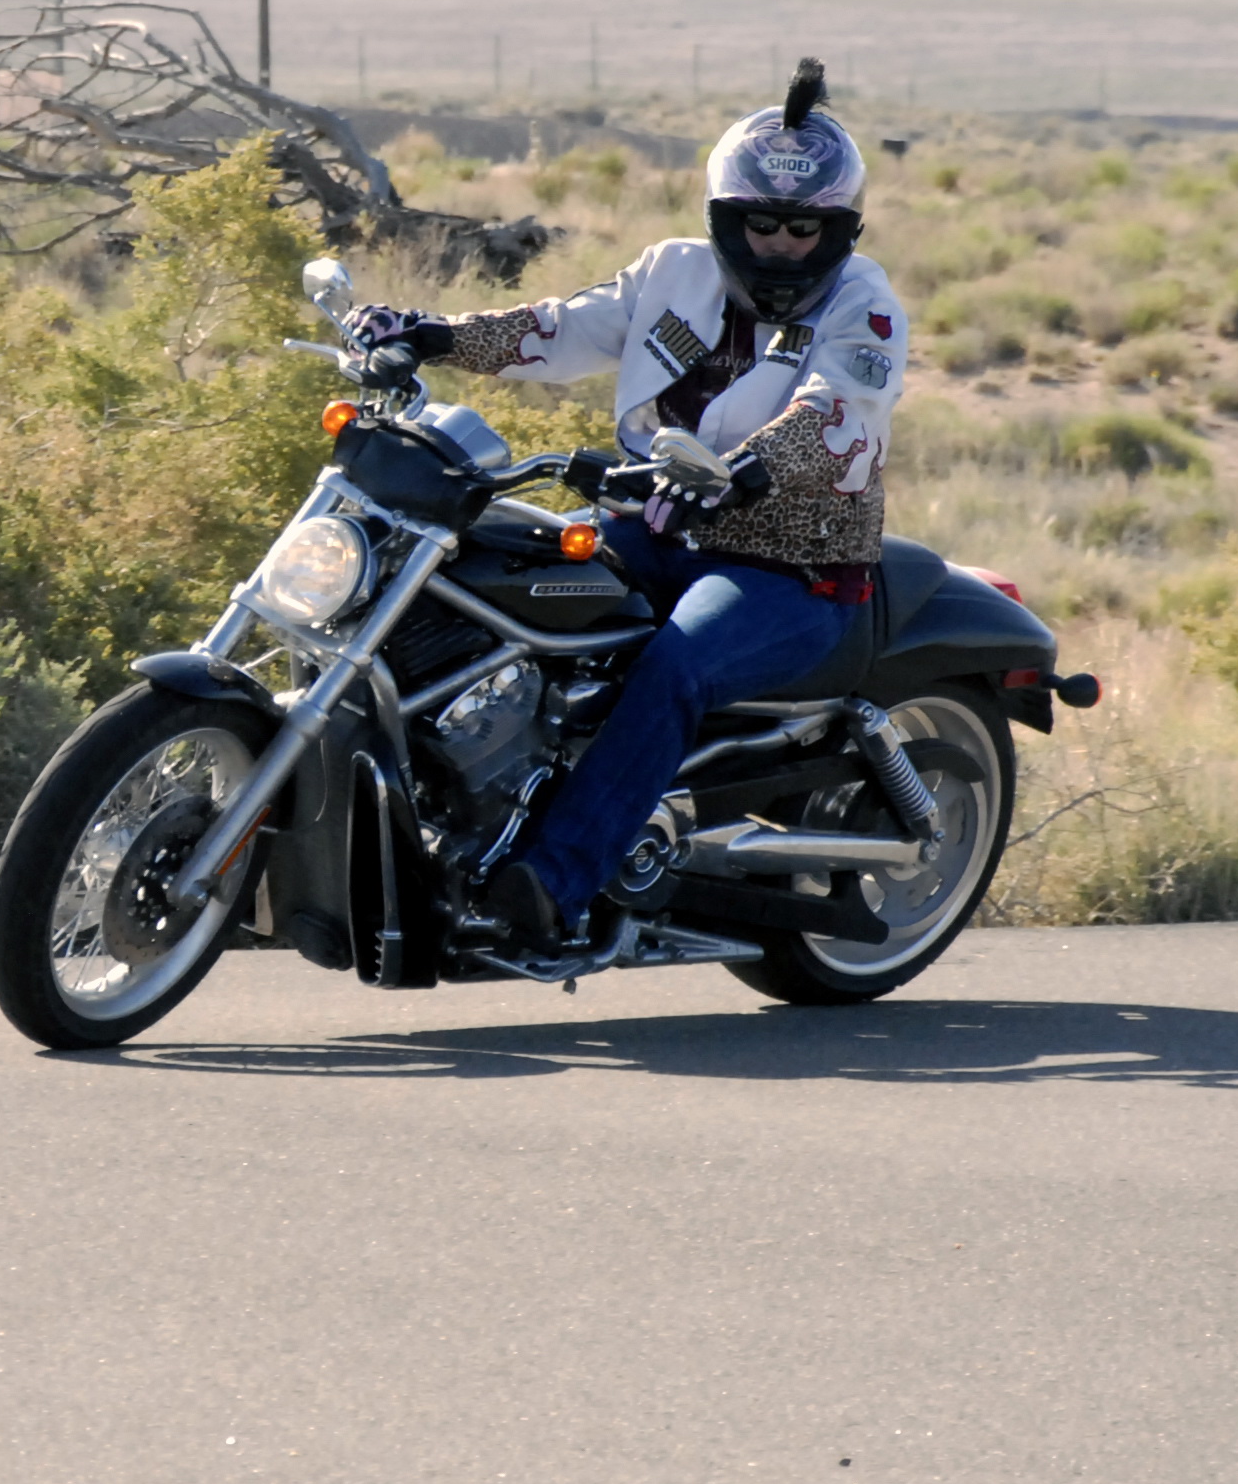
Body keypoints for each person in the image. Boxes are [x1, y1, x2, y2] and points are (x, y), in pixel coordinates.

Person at [345, 59, 908, 953]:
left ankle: (553, 883)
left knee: (676, 666)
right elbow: (563, 327)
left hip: (795, 572)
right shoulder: (671, 273)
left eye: (806, 228)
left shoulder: (863, 306)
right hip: (652, 522)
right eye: (759, 223)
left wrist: (742, 470)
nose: (781, 246)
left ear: (841, 228)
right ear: (724, 217)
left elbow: (835, 414)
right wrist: (433, 333)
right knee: (474, 578)